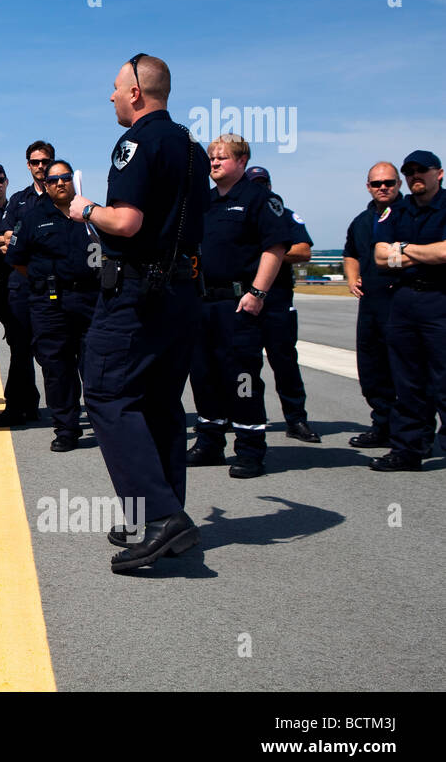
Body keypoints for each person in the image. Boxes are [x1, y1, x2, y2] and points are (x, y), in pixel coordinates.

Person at [68, 53, 209, 573]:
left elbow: (125, 222)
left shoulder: (137, 142)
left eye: (114, 87)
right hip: (181, 291)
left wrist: (83, 209)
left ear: (136, 93)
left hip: (137, 292)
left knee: (106, 392)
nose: (110, 96)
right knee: (160, 401)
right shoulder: (192, 147)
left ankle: (159, 516)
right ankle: (160, 509)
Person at [187, 135, 291, 479]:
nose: (214, 163)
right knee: (203, 374)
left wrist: (258, 293)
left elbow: (274, 248)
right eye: (211, 159)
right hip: (203, 303)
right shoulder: (204, 202)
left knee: (241, 377)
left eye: (222, 158)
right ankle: (210, 442)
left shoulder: (259, 199)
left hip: (239, 303)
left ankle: (249, 448)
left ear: (242, 161)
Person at [7, 160, 99, 452]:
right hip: (49, 303)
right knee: (57, 367)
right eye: (54, 179)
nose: (61, 183)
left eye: (66, 177)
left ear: (73, 180)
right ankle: (66, 428)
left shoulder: (92, 212)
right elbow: (18, 259)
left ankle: (103, 424)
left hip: (88, 300)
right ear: (46, 185)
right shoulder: (34, 218)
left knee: (94, 365)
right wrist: (44, 281)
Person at [371, 150, 446, 472]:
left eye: (422, 170)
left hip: (440, 300)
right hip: (403, 301)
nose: (416, 176)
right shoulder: (395, 212)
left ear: (438, 174)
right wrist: (426, 254)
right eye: (410, 171)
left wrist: (402, 250)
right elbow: (379, 257)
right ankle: (407, 450)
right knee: (407, 381)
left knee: (444, 379)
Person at [244, 166, 320, 442]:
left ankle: (296, 419)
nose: (260, 188)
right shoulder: (239, 213)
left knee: (285, 362)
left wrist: (269, 252)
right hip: (244, 299)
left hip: (276, 301)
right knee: (243, 366)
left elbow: (303, 250)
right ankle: (246, 417)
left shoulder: (283, 215)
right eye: (254, 183)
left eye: (264, 183)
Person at [0, 145, 53, 426]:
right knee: (20, 348)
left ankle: (62, 410)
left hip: (52, 284)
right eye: (35, 162)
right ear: (28, 166)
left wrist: (21, 242)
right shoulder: (18, 200)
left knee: (52, 348)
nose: (40, 166)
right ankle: (20, 406)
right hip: (20, 285)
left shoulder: (61, 195)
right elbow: (5, 236)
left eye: (45, 161)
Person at [343, 163, 403, 447]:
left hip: (401, 303)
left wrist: (393, 270)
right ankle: (382, 425)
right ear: (368, 186)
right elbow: (351, 253)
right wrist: (353, 279)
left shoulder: (408, 215)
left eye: (389, 182)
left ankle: (411, 432)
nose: (383, 187)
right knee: (371, 368)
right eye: (377, 183)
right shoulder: (361, 221)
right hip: (370, 305)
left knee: (405, 371)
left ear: (398, 184)